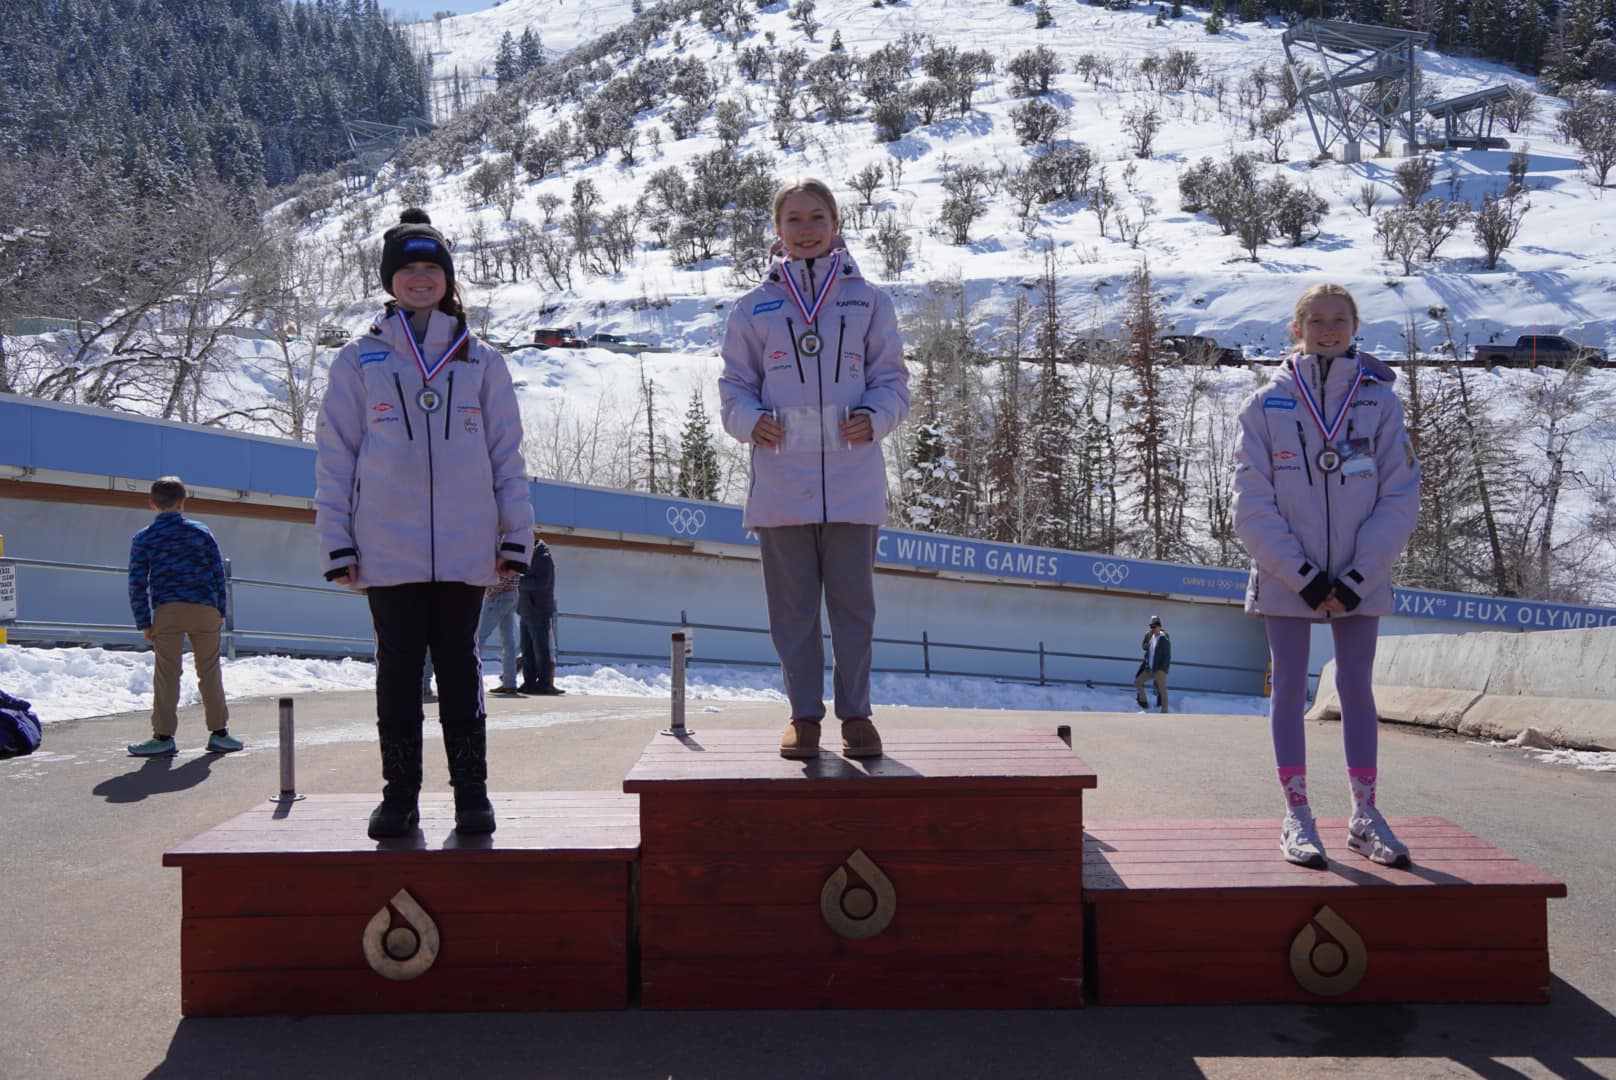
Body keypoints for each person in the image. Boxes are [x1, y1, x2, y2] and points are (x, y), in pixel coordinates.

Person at [315, 208, 533, 839]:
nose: (419, 278)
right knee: (398, 673)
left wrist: (515, 536)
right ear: (390, 279)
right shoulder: (359, 360)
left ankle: (472, 795)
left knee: (461, 668)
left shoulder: (481, 361)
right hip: (387, 548)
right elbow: (335, 457)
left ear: (447, 279)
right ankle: (399, 797)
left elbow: (507, 458)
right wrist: (337, 542)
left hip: (467, 547)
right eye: (407, 268)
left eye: (431, 268)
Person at [718, 177, 911, 760]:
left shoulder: (869, 301)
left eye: (817, 217)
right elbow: (734, 385)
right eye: (794, 220)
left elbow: (892, 380)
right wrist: (749, 420)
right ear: (778, 231)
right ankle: (803, 717)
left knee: (854, 611)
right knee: (792, 613)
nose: (806, 230)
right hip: (782, 486)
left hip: (853, 485)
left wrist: (876, 416)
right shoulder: (753, 307)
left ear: (836, 225)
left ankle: (857, 716)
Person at [1232, 283, 1420, 870]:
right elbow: (1250, 504)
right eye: (1316, 320)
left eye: (1340, 319)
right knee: (1288, 688)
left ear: (1356, 326)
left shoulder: (1380, 403)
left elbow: (1400, 496)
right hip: (1288, 577)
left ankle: (1365, 817)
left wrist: (1359, 575)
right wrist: (1304, 576)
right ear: (1298, 329)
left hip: (1361, 577)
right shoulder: (1265, 406)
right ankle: (1298, 816)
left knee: (1356, 688)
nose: (1329, 329)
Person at [125, 477, 242, 756]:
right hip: (204, 608)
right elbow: (218, 574)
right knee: (209, 671)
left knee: (167, 674)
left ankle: (163, 737)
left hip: (167, 610)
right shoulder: (201, 532)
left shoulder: (144, 538)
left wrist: (144, 622)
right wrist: (220, 610)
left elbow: (137, 583)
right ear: (182, 502)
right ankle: (219, 734)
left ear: (152, 504)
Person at [517, 534, 564, 695]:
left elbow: (541, 582)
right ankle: (529, 682)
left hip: (538, 610)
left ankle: (544, 684)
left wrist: (518, 579)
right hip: (526, 609)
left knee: (540, 650)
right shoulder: (527, 556)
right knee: (527, 650)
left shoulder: (543, 558)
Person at [480, 574, 523, 696]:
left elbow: (504, 575)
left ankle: (468, 678)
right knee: (508, 641)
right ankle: (510, 683)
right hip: (512, 594)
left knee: (478, 638)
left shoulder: (501, 559)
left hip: (499, 595)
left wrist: (490, 593)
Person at [1133, 615, 1171, 713]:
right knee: (1138, 682)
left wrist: (1163, 670)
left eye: (1154, 626)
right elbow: (1147, 648)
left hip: (1159, 669)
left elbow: (1167, 656)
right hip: (1150, 668)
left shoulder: (1163, 638)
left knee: (1162, 689)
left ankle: (1164, 710)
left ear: (1159, 626)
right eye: (1151, 626)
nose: (1152, 628)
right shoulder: (1151, 636)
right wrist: (1147, 664)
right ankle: (1143, 701)